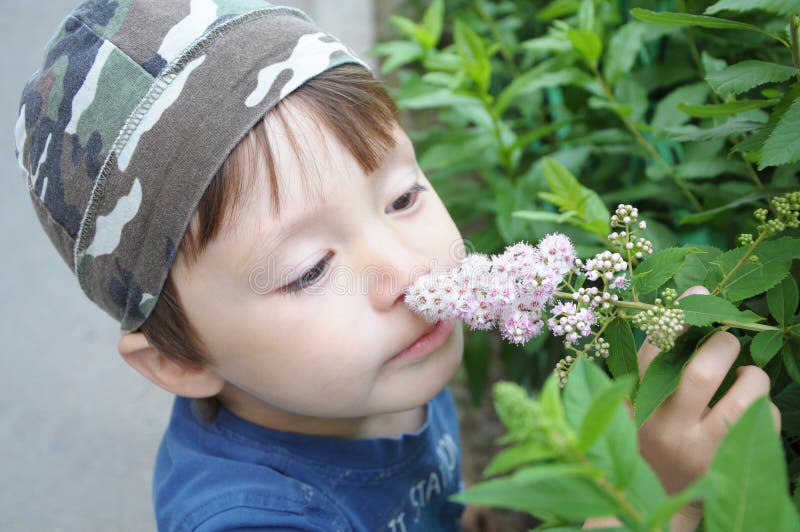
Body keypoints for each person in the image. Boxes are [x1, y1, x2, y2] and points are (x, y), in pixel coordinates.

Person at [14, 1, 778, 531]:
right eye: (310, 269)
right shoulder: (252, 519)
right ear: (177, 360)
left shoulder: (372, 365)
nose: (408, 274)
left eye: (405, 196)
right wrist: (656, 498)